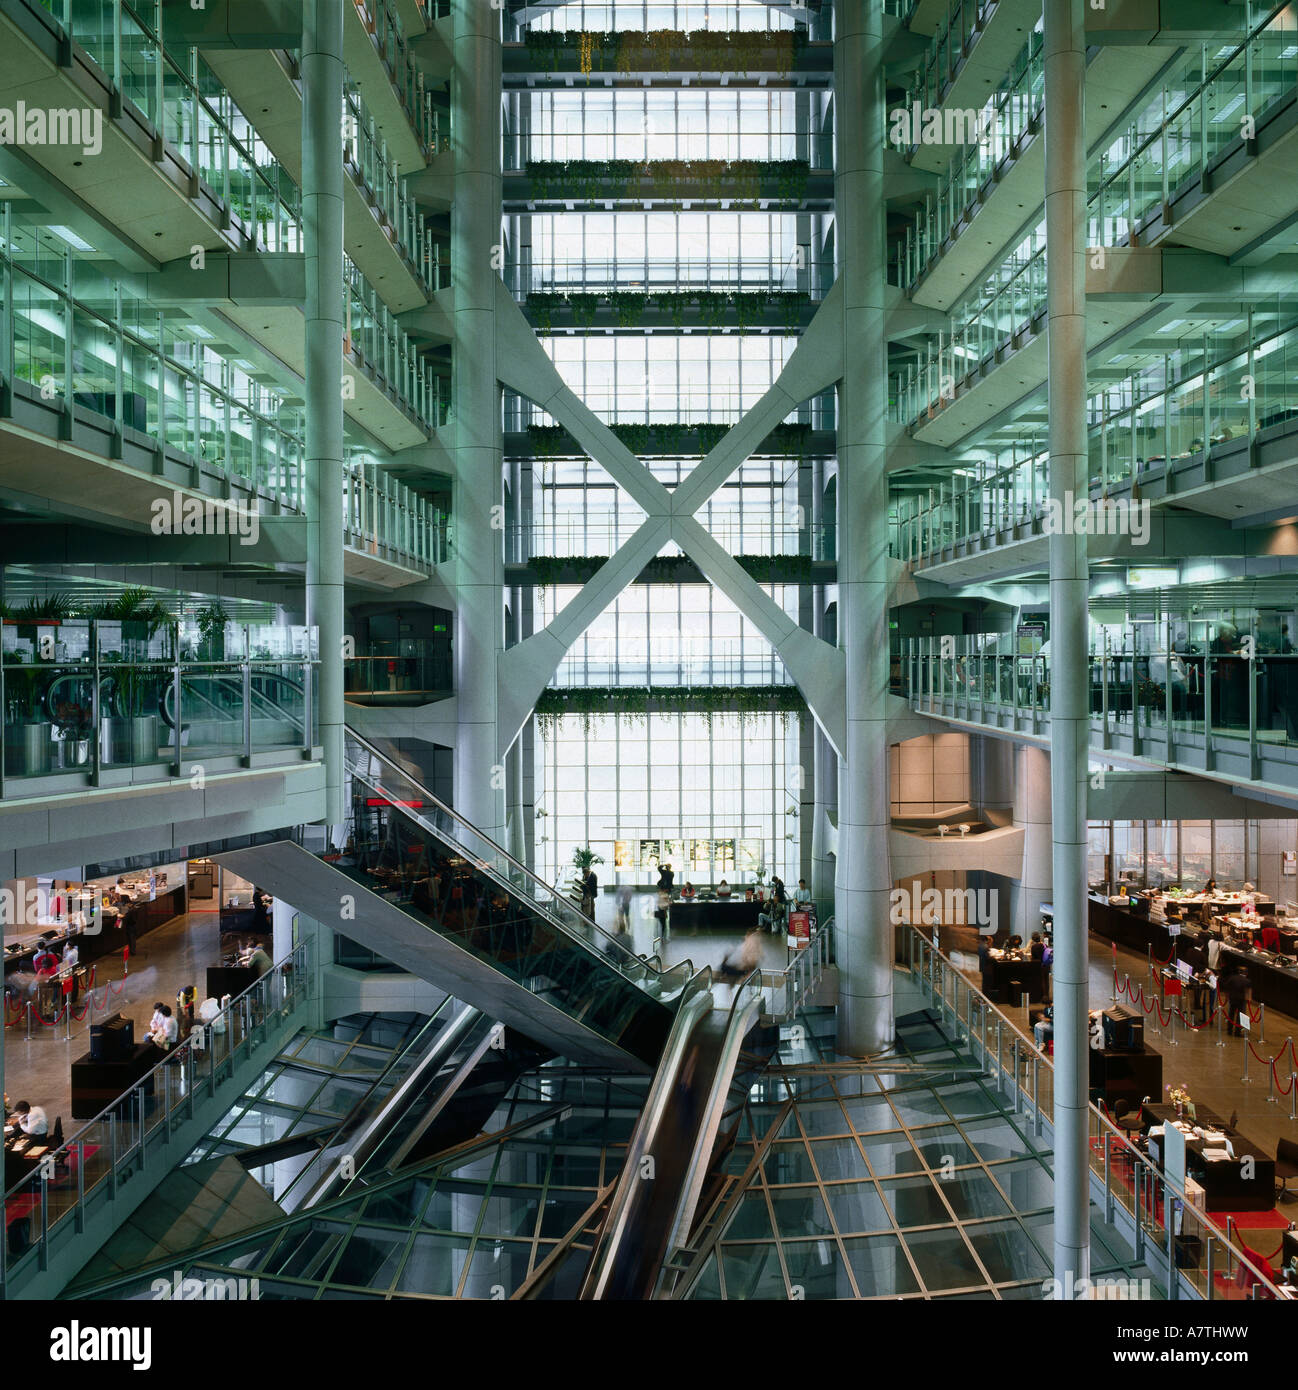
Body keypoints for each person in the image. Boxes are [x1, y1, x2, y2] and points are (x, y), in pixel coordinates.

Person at [1221, 964, 1252, 1037]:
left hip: (1232, 998)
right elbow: (1248, 991)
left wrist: (1227, 996)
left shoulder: (1232, 978)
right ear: (1246, 973)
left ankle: (1229, 1030)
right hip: (1241, 1000)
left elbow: (1226, 987)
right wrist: (1249, 999)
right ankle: (1237, 1032)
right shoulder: (1247, 981)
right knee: (1240, 1016)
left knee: (1231, 1014)